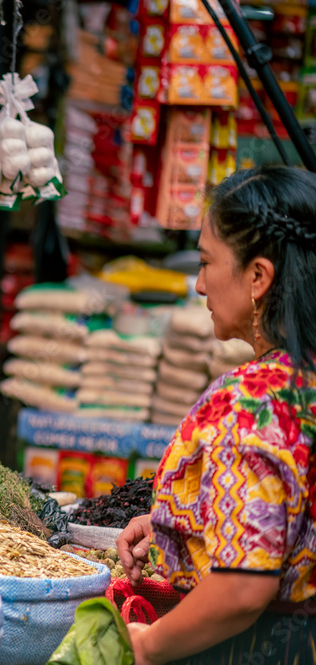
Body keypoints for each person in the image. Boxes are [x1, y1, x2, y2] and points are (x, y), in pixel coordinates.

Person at [116, 166, 316, 664]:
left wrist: (147, 647)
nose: (200, 284)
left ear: (258, 276)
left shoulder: (253, 402)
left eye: (207, 262)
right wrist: (182, 522)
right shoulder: (303, 382)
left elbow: (242, 589)